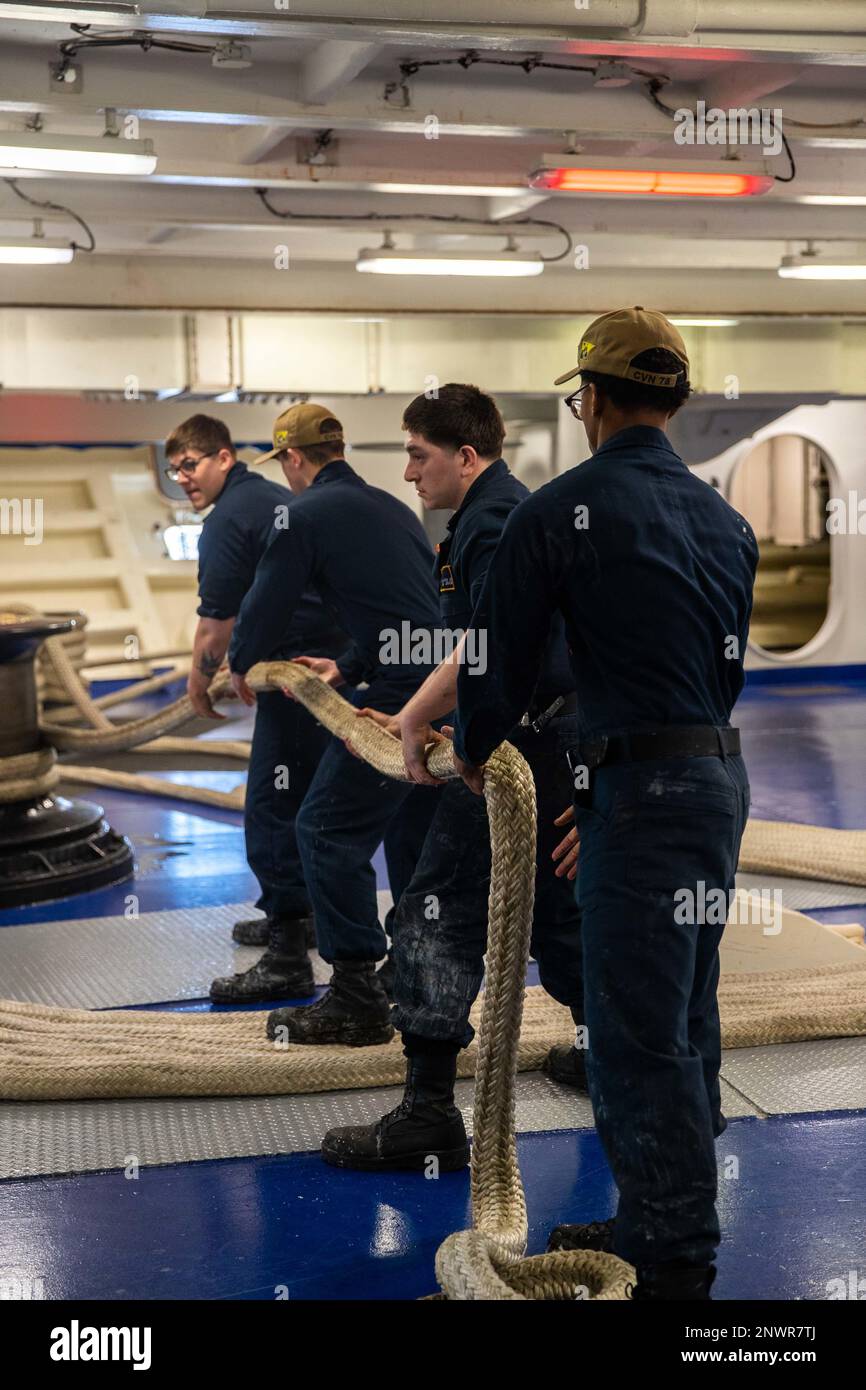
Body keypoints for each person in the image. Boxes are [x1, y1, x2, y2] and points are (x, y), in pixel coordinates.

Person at [447, 309, 758, 1301]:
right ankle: (653, 1212)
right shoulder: (725, 518)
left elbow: (498, 657)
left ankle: (671, 1252)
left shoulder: (558, 510)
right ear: (671, 401)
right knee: (683, 1000)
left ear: (589, 398)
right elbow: (701, 674)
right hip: (711, 783)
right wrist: (608, 783)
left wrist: (466, 753)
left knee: (633, 1027)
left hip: (645, 790)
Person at [319, 383, 583, 1174]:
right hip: (557, 743)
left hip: (515, 750)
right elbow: (475, 641)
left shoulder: (495, 522)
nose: (407, 472)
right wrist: (407, 706)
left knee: (436, 917)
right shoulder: (489, 515)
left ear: (466, 455)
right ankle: (607, 1056)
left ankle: (429, 1113)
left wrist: (431, 728)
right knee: (567, 918)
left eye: (417, 454)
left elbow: (498, 642)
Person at [228, 402, 442, 1046]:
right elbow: (406, 608)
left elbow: (268, 600)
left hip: (402, 698)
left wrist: (242, 664)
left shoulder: (301, 514)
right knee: (412, 841)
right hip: (442, 688)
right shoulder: (391, 508)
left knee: (322, 828)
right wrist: (347, 668)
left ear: (293, 458)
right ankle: (407, 973)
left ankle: (354, 998)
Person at [163, 414, 344, 1004]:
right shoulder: (271, 499)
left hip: (295, 678)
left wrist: (199, 680)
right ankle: (301, 915)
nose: (183, 478)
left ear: (223, 457)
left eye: (190, 465)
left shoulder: (227, 521)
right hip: (334, 669)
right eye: (174, 471)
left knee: (271, 807)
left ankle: (288, 954)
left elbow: (216, 623)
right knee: (312, 801)